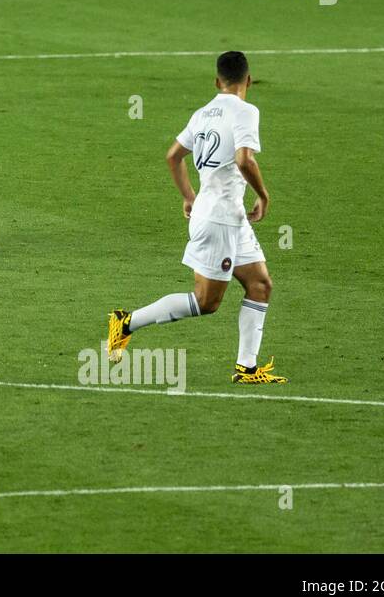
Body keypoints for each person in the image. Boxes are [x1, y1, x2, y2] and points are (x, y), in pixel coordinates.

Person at [107, 51, 284, 384]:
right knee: (206, 303)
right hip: (219, 220)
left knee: (260, 285)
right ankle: (125, 322)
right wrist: (263, 195)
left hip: (226, 216)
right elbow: (245, 160)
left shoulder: (203, 113)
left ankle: (246, 367)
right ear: (248, 80)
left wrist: (189, 196)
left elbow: (173, 156)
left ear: (217, 82)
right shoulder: (246, 111)